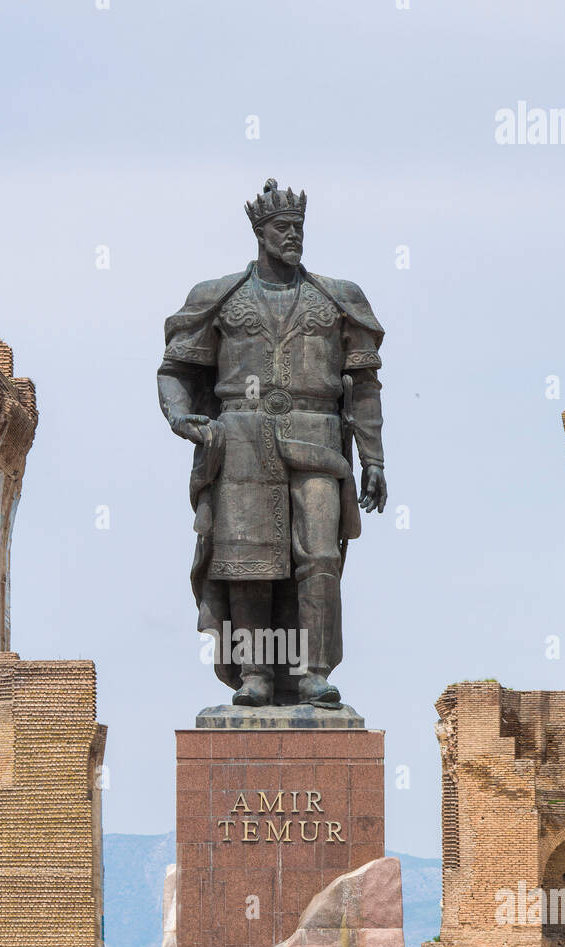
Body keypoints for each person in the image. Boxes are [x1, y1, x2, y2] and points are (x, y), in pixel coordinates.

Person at [157, 177, 387, 709]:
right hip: (241, 438)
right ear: (260, 232)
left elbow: (366, 386)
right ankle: (255, 673)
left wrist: (373, 458)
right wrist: (182, 417)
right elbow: (175, 371)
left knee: (321, 556)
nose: (293, 237)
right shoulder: (219, 297)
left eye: (299, 228)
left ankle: (313, 673)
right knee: (247, 563)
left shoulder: (337, 298)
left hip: (318, 437)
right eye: (283, 228)